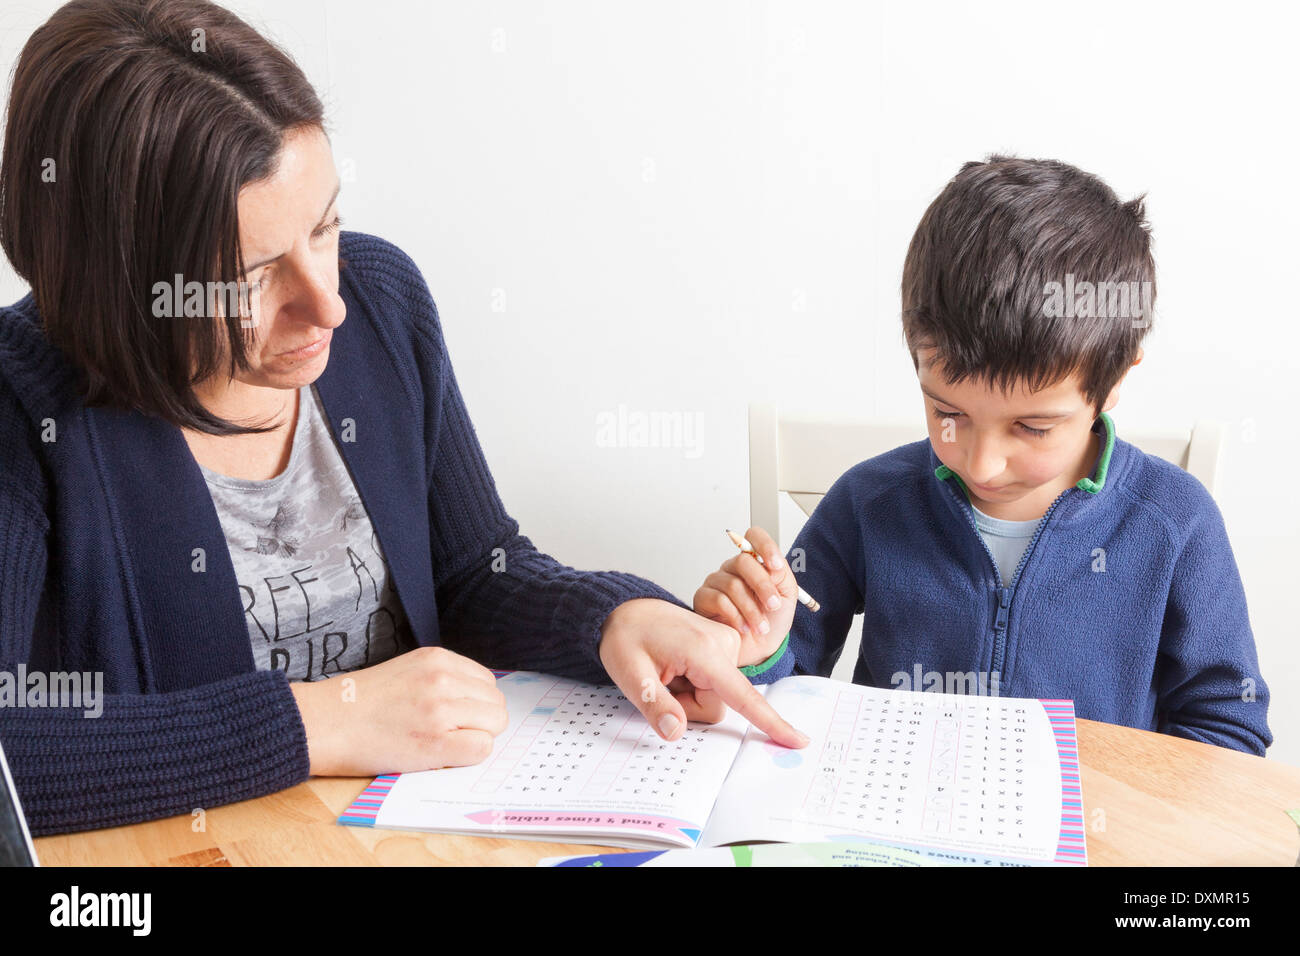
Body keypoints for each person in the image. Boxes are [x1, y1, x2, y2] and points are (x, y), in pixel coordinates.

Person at [0, 0, 805, 837]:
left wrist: (609, 618)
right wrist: (321, 720)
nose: (327, 305)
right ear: (116, 287)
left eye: (325, 227)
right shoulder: (22, 410)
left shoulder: (384, 302)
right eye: (252, 277)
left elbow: (472, 577)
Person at [694, 155, 1272, 756]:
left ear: (1115, 381)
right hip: (887, 826)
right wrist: (758, 649)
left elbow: (1228, 727)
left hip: (1089, 839)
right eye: (949, 414)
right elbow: (778, 692)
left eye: (1031, 427)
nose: (980, 464)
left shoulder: (1175, 523)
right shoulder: (871, 502)